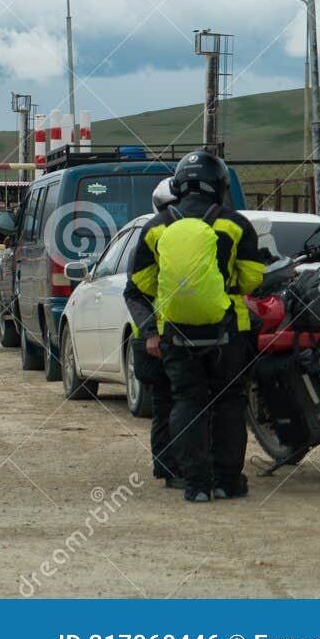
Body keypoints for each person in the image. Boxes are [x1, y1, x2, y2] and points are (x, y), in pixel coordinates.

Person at [123, 151, 265, 503]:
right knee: (229, 402)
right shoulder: (235, 223)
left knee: (186, 401)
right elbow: (251, 279)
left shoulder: (156, 227)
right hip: (228, 330)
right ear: (219, 185)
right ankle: (227, 481)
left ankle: (196, 484)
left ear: (179, 186)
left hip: (175, 330)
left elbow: (141, 282)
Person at [123, 179, 185, 490]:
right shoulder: (210, 227)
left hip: (158, 334)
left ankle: (170, 468)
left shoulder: (152, 232)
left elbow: (134, 291)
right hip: (165, 334)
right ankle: (174, 466)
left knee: (166, 404)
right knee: (178, 402)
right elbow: (135, 290)